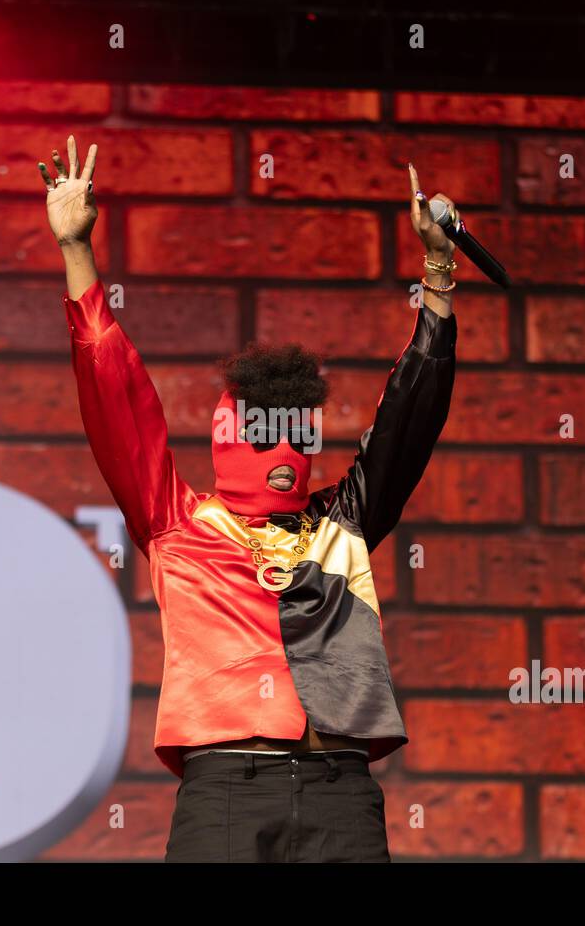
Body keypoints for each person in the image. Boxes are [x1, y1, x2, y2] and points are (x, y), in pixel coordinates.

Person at [40, 136, 458, 861]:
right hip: (227, 790)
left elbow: (407, 423)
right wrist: (78, 251)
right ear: (233, 432)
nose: (280, 456)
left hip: (340, 788)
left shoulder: (341, 522)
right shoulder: (175, 520)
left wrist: (440, 273)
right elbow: (115, 393)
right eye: (263, 432)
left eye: (295, 433)